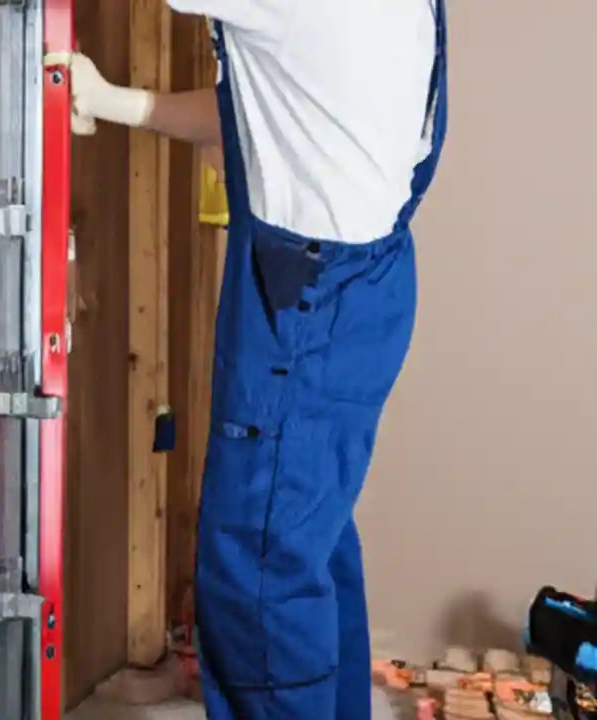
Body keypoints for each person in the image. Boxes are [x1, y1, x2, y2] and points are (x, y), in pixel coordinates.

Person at [48, 0, 448, 717]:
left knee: (261, 582)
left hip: (308, 305)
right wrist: (121, 103)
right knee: (306, 545)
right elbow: (271, 105)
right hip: (364, 293)